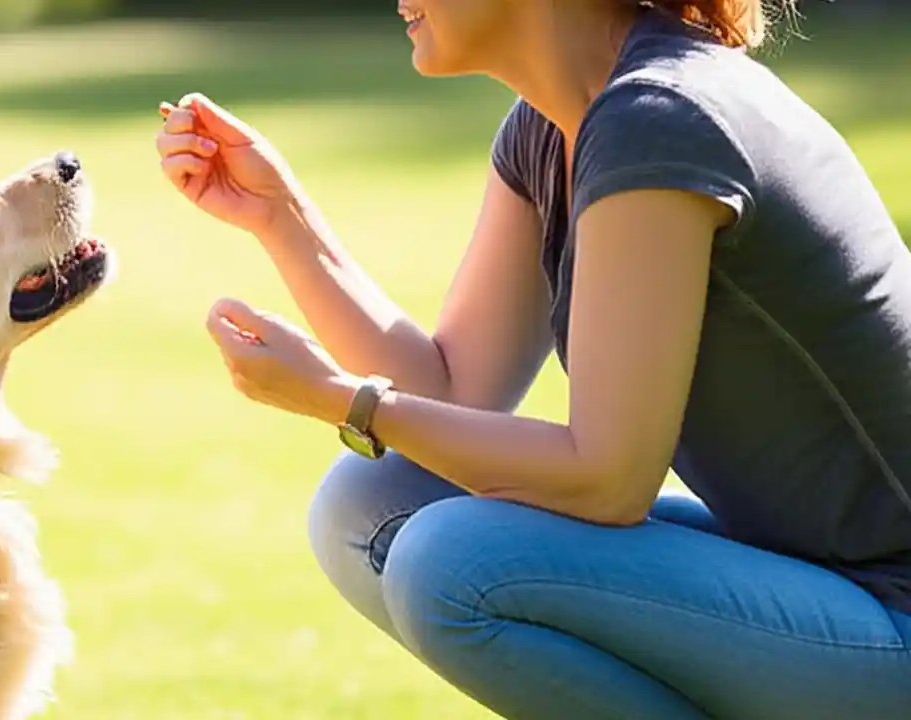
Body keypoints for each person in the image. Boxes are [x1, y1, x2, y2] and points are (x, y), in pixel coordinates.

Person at [155, 0, 911, 716]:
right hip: (824, 589)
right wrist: (278, 214)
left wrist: (346, 400)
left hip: (891, 613)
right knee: (372, 496)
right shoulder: (557, 127)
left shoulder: (659, 120)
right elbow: (455, 389)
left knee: (454, 561)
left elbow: (607, 480)